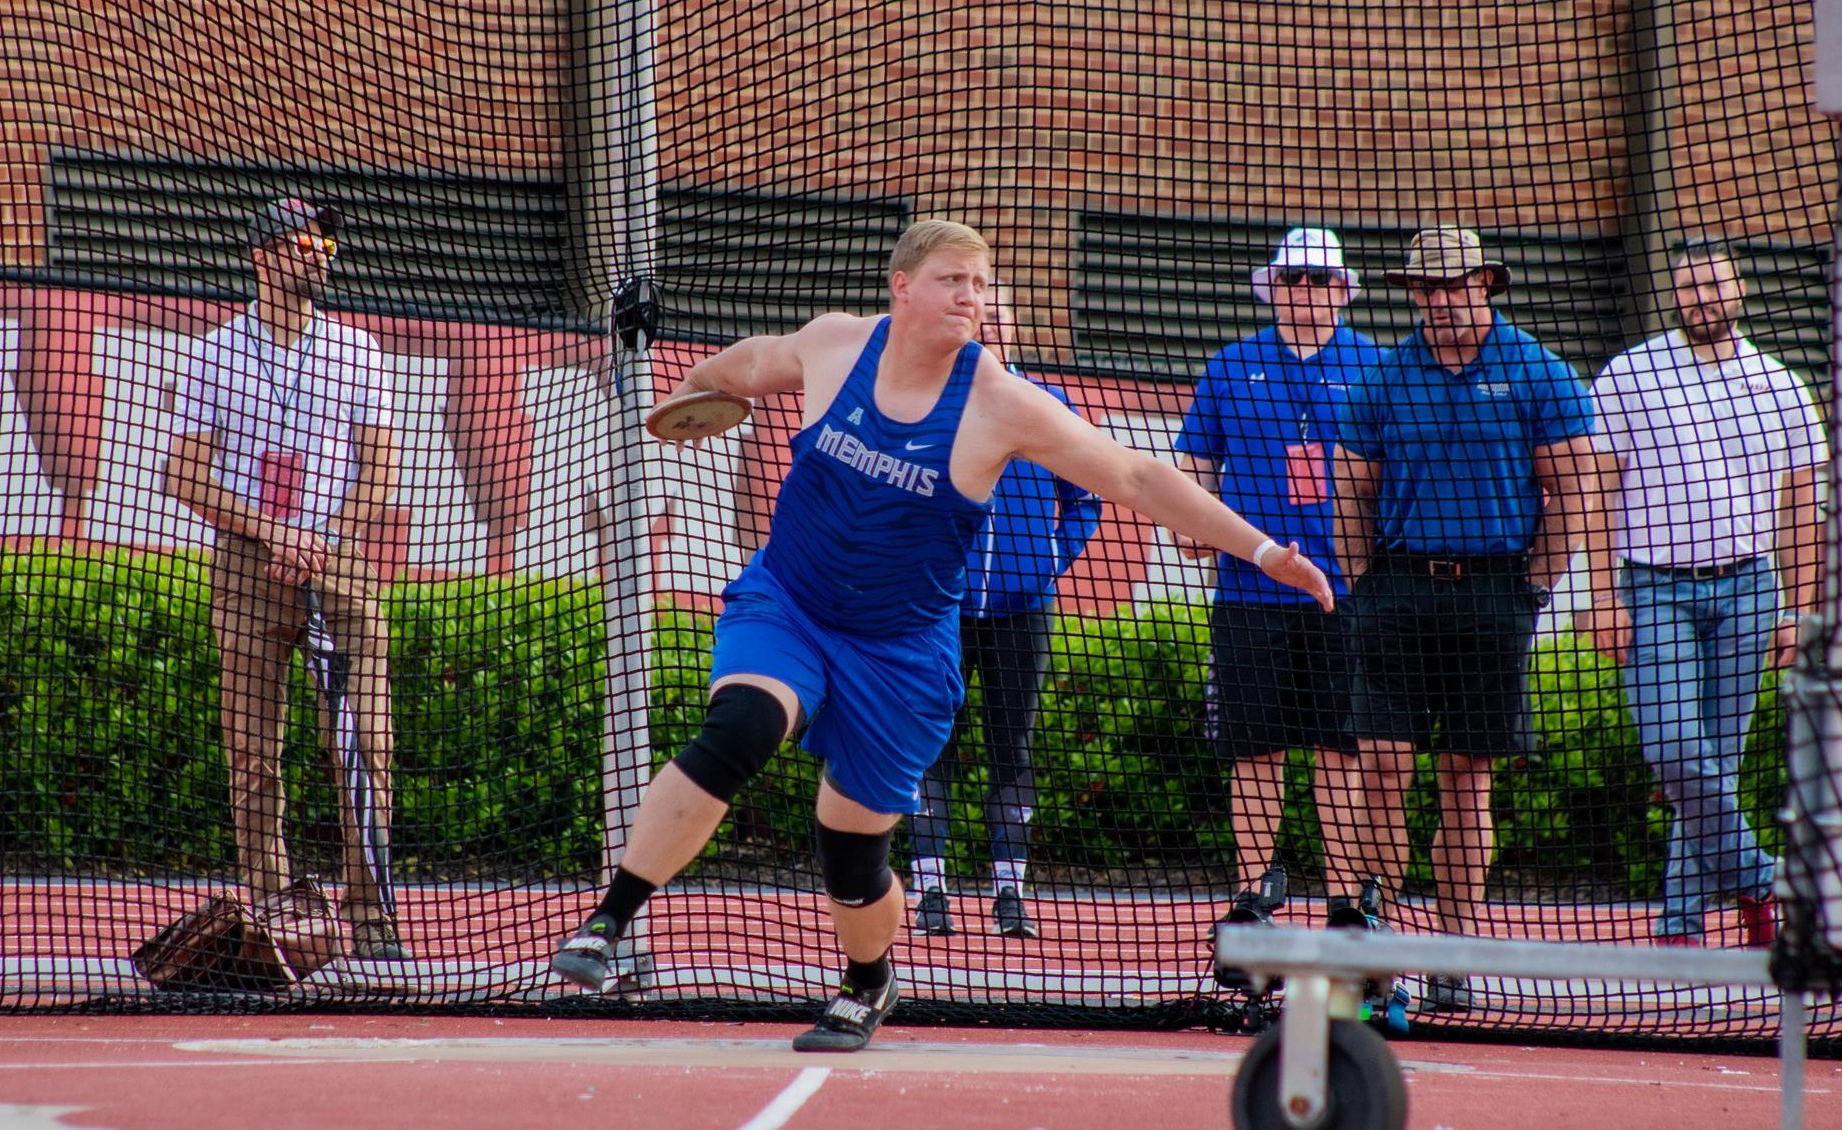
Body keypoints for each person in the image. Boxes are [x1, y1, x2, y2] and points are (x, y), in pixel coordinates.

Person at [548, 219, 1333, 1053]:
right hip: (791, 605)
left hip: (901, 652)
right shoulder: (836, 347)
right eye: (954, 279)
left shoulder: (1001, 402)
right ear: (903, 286)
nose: (972, 297)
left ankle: (867, 980)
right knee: (737, 728)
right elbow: (753, 362)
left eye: (982, 286)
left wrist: (1264, 550)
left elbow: (1138, 475)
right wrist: (695, 388)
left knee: (852, 857)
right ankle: (609, 921)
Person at [1333, 225, 1597, 1011]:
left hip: (1492, 594)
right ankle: (1381, 949)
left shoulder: (1536, 370)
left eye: (1454, 284)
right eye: (1425, 287)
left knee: (1466, 777)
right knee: (1382, 767)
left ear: (1487, 282)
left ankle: (1452, 950)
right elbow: (1353, 489)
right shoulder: (1384, 376)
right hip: (1399, 590)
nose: (1439, 300)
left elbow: (1574, 490)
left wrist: (1534, 590)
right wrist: (1360, 588)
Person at [165, 197, 410, 962]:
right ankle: (273, 920)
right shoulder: (213, 353)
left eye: (327, 244)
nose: (321, 256)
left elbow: (381, 471)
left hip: (338, 559)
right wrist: (275, 533)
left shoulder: (358, 349)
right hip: (247, 562)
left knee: (368, 744)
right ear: (264, 254)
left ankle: (371, 920)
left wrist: (324, 538)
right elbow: (182, 474)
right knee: (252, 756)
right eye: (307, 243)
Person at [1578, 241, 1825, 947]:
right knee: (1676, 750)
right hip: (1654, 588)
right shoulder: (1631, 374)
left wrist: (1798, 614)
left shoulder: (1780, 385)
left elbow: (1800, 510)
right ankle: (1759, 880)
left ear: (1739, 290)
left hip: (1749, 590)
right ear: (1674, 295)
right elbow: (1595, 490)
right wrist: (1602, 596)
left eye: (1712, 284)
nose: (1700, 297)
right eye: (1688, 287)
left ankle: (1681, 923)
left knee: (1714, 754)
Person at [1173, 228, 1379, 957]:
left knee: (1343, 751)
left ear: (1343, 290)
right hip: (1249, 587)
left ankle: (1346, 902)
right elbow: (1194, 461)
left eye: (1321, 280)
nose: (1307, 291)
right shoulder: (1232, 365)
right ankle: (1251, 896)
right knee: (1254, 752)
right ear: (1274, 287)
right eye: (1294, 278)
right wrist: (1192, 523)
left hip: (1347, 594)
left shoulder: (1376, 365)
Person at [909, 290, 1102, 940]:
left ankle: (1008, 893)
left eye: (1000, 319)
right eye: (978, 318)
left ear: (1016, 330)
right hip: (939, 608)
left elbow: (1088, 496)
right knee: (932, 743)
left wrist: (1048, 561)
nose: (989, 328)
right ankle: (930, 890)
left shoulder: (1047, 405)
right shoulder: (928, 403)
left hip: (1023, 609)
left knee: (1011, 747)